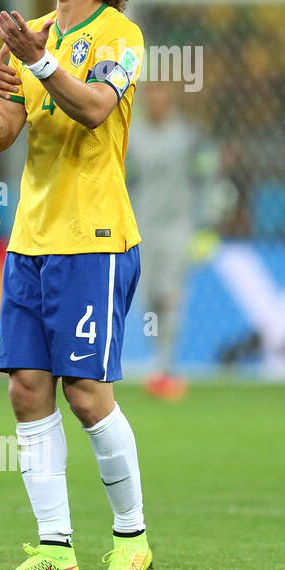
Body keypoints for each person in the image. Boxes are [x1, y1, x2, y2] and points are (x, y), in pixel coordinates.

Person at [0, 0, 153, 570]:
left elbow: (94, 109)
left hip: (96, 236)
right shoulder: (34, 34)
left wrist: (37, 62)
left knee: (84, 390)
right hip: (32, 235)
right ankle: (55, 550)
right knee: (27, 389)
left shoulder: (122, 37)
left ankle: (132, 540)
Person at [126, 84, 203, 401]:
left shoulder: (188, 137)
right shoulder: (131, 137)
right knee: (148, 300)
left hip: (177, 227)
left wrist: (203, 222)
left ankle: (166, 368)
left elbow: (204, 178)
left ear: (170, 101)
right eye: (151, 97)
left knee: (170, 296)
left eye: (162, 97)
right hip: (141, 227)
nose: (156, 103)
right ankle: (158, 364)